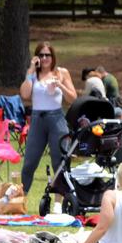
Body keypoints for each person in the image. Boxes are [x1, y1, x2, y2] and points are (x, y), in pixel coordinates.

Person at [19, 41, 77, 208]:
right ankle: (22, 200)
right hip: (37, 119)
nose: (44, 58)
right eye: (41, 55)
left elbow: (73, 98)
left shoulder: (61, 72)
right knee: (30, 161)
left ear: (53, 57)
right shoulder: (33, 75)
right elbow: (24, 94)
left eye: (48, 55)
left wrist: (60, 85)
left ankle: (58, 204)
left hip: (56, 118)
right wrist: (30, 71)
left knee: (59, 162)